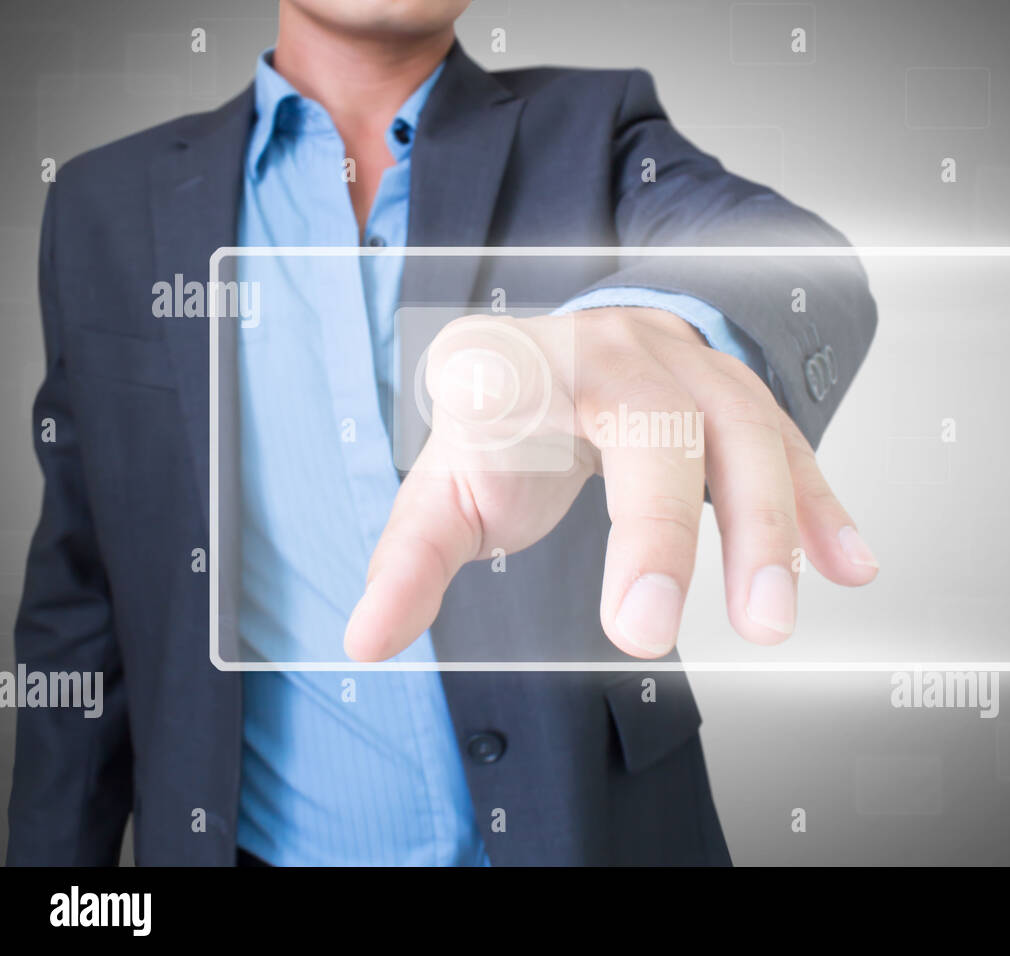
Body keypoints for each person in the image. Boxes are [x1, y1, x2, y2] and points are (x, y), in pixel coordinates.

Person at [7, 0, 878, 866]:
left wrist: (656, 324)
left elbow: (787, 253)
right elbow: (79, 590)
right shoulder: (103, 202)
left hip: (586, 829)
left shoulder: (591, 128)